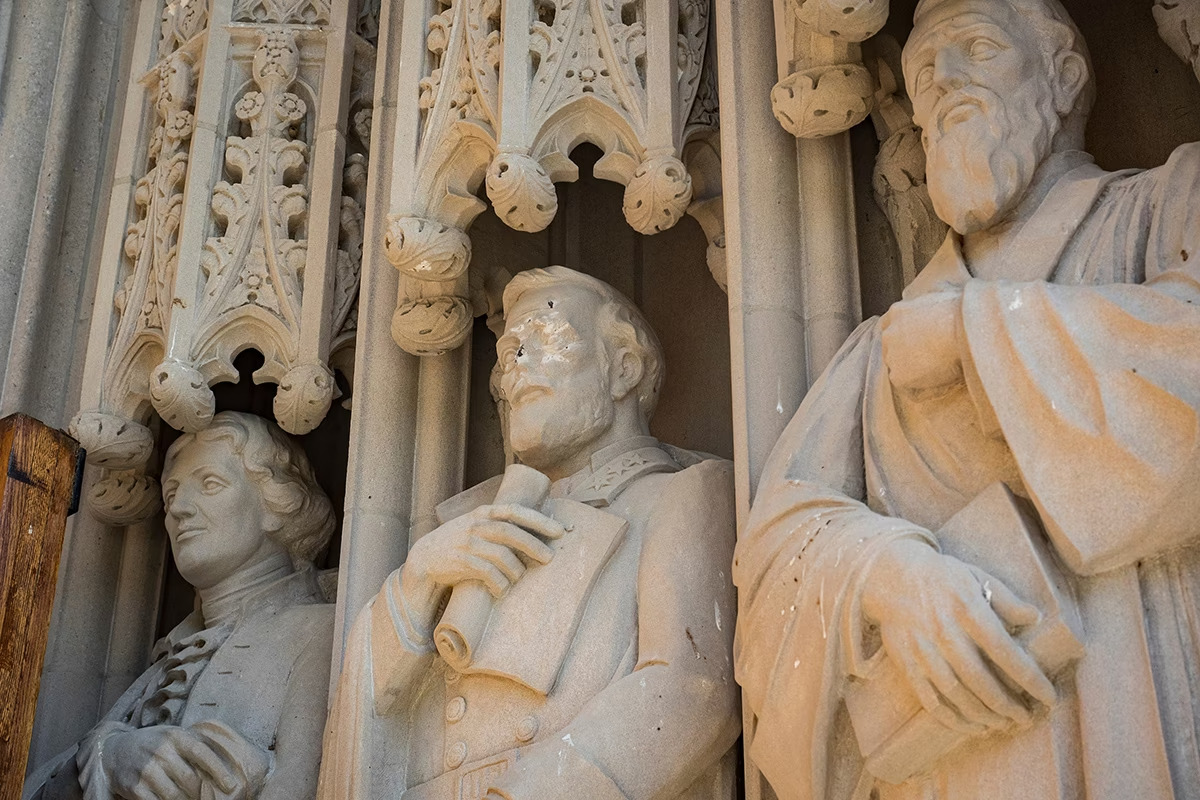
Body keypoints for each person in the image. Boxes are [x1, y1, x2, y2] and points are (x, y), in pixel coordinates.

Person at [733, 1, 1200, 799]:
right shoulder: (882, 344)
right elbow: (777, 539)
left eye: (975, 48)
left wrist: (971, 336)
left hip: (1131, 713)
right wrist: (888, 579)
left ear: (1064, 78)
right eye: (921, 71)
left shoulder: (1164, 208)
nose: (942, 83)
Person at [319, 266, 740, 800]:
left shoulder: (679, 496)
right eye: (508, 351)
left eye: (545, 338)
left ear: (624, 369)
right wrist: (417, 581)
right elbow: (379, 715)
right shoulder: (461, 527)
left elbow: (688, 691)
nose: (514, 367)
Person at [25, 411, 337, 800]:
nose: (179, 509)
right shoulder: (166, 664)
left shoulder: (319, 632)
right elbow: (29, 789)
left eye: (210, 483)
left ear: (279, 504)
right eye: (171, 494)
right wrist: (107, 755)